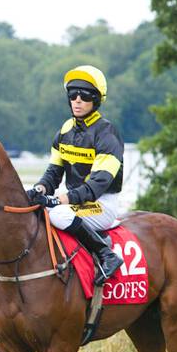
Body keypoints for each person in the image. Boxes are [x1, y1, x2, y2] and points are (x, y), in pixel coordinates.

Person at [29, 64, 125, 283]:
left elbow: (96, 186)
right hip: (75, 202)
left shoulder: (107, 133)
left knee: (57, 213)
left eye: (85, 95)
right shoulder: (64, 131)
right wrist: (39, 189)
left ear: (97, 99)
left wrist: (59, 199)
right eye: (73, 94)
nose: (78, 100)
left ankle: (106, 255)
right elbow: (53, 173)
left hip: (101, 204)